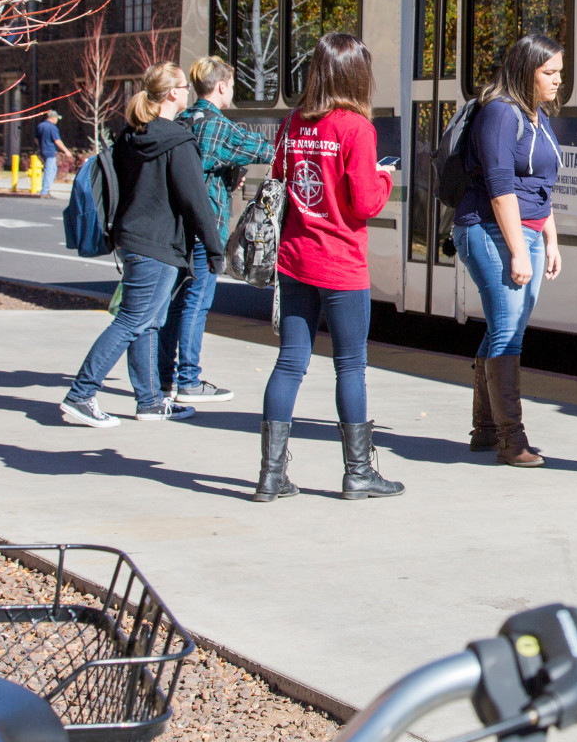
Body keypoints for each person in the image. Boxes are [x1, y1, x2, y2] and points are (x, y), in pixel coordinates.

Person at [256, 33, 401, 501]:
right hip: (341, 264)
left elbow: (279, 182)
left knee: (290, 362)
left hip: (295, 258)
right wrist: (384, 177)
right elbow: (365, 203)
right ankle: (358, 473)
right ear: (357, 75)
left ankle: (270, 476)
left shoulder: (292, 122)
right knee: (350, 367)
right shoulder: (356, 128)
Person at [58, 64, 224, 427]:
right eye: (184, 86)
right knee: (132, 320)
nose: (188, 91)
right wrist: (215, 249)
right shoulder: (178, 142)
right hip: (159, 245)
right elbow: (196, 202)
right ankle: (81, 394)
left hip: (132, 239)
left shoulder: (131, 136)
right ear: (173, 93)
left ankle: (149, 401)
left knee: (148, 323)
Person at [453, 34, 564, 468]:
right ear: (525, 71)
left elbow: (540, 186)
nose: (557, 80)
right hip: (487, 229)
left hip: (529, 233)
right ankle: (510, 438)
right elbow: (501, 188)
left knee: (506, 326)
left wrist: (551, 239)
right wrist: (518, 250)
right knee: (508, 330)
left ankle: (485, 428)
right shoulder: (499, 113)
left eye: (559, 72)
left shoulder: (537, 116)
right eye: (549, 72)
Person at [158, 57, 271, 404]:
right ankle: (189, 379)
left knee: (174, 304)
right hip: (205, 227)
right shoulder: (219, 126)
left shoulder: (183, 119)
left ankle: (165, 378)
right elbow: (265, 149)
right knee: (196, 304)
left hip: (175, 227)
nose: (232, 91)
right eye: (232, 85)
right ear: (221, 86)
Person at [35, 109, 72, 199]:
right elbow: (57, 141)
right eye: (56, 118)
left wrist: (40, 146)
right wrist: (66, 151)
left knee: (53, 169)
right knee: (50, 171)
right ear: (53, 118)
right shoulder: (52, 128)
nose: (57, 120)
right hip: (50, 151)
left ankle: (46, 190)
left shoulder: (40, 126)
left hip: (43, 150)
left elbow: (36, 138)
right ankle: (45, 191)